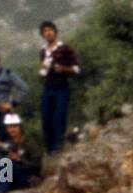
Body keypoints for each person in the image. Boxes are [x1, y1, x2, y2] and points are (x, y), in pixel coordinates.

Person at [38, 21, 81, 154]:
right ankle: (49, 148)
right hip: (47, 88)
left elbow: (76, 69)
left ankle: (59, 146)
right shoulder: (43, 51)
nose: (48, 33)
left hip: (61, 88)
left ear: (55, 31)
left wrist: (63, 68)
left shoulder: (65, 49)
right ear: (42, 34)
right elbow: (41, 75)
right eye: (45, 31)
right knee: (46, 119)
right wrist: (41, 71)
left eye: (50, 30)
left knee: (59, 117)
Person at [2, 114, 42, 191]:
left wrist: (19, 159)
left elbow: (37, 166)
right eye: (9, 127)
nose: (12, 129)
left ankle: (4, 190)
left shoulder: (30, 143)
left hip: (27, 176)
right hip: (11, 176)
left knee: (7, 164)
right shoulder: (7, 144)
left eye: (15, 126)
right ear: (6, 129)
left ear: (20, 127)